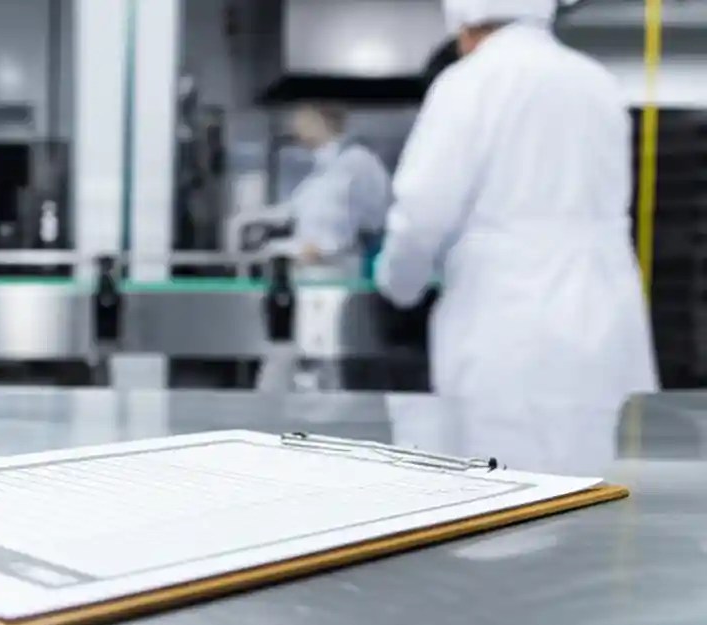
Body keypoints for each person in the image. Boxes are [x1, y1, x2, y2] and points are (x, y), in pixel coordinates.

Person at [375, 0, 658, 408]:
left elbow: (422, 210)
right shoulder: (598, 82)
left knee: (506, 460)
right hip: (605, 312)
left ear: (465, 26)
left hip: (507, 319)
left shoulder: (468, 82)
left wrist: (399, 285)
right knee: (600, 455)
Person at [230, 103, 391, 278]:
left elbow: (372, 217)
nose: (294, 122)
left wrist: (329, 246)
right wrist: (243, 220)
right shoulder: (316, 170)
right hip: (305, 271)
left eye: (300, 114)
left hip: (335, 271)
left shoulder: (357, 161)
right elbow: (294, 210)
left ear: (318, 118)